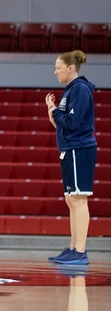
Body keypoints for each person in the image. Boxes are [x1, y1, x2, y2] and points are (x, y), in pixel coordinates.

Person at [46, 50, 97, 265]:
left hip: (79, 148)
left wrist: (55, 111)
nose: (55, 71)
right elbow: (63, 125)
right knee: (71, 199)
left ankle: (80, 251)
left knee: (78, 199)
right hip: (69, 148)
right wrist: (53, 111)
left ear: (70, 68)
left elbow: (73, 122)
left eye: (58, 67)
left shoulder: (80, 89)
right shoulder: (70, 90)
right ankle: (73, 247)